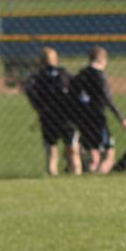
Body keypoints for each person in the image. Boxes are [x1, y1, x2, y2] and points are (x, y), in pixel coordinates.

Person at [70, 46, 126, 173]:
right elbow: (108, 100)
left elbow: (72, 97)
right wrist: (121, 118)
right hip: (98, 119)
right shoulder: (100, 77)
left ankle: (89, 173)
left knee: (93, 154)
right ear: (103, 60)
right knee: (109, 154)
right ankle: (98, 178)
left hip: (83, 119)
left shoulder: (80, 75)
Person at [23, 46, 81, 176]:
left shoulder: (38, 77)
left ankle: (52, 174)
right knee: (73, 150)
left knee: (51, 151)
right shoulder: (64, 73)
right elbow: (76, 89)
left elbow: (29, 91)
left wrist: (39, 107)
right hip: (67, 117)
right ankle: (76, 173)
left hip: (49, 117)